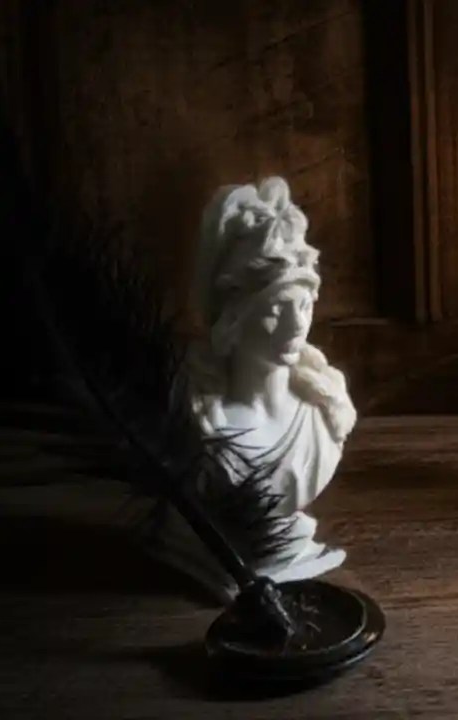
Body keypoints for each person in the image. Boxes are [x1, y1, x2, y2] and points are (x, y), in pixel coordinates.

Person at [153, 176, 356, 601]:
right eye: (276, 309)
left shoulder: (323, 412)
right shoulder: (199, 421)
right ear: (234, 320)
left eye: (304, 304)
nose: (296, 324)